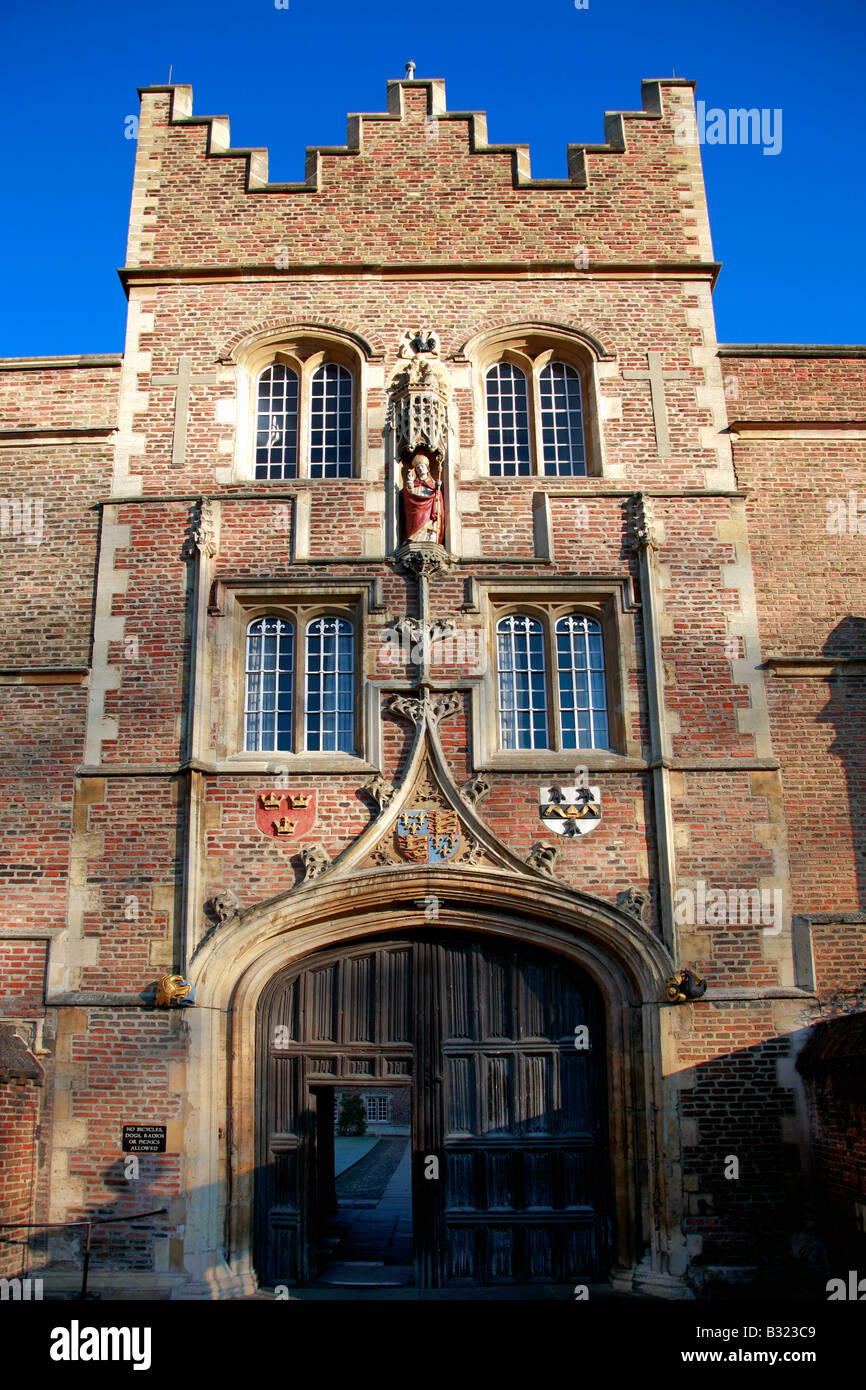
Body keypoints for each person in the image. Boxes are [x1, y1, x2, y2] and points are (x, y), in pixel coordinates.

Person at [402, 450, 444, 543]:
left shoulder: (432, 483)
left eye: (422, 466)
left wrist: (437, 488)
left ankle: (431, 537)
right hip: (416, 510)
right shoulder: (415, 483)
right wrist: (410, 483)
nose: (420, 469)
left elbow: (438, 498)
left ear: (427, 468)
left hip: (429, 509)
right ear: (415, 471)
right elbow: (408, 496)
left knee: (433, 520)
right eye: (418, 468)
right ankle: (414, 538)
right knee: (415, 520)